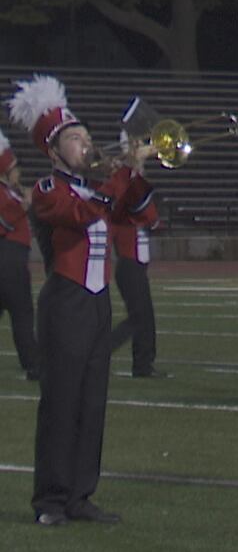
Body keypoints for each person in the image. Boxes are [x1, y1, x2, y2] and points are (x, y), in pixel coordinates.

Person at [11, 74, 151, 526]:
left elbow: (145, 214)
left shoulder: (96, 187)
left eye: (87, 136)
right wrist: (121, 175)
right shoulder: (49, 190)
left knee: (92, 402)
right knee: (61, 402)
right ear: (54, 151)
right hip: (66, 302)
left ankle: (79, 496)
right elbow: (82, 214)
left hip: (97, 302)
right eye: (75, 138)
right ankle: (50, 500)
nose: (86, 144)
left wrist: (137, 171)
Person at [106, 125, 164, 379]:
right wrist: (131, 166)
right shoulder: (126, 187)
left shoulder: (133, 184)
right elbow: (151, 219)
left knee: (145, 319)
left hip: (135, 265)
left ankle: (143, 366)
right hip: (129, 264)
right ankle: (101, 351)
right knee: (138, 318)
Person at [0, 130, 39, 382]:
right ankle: (33, 365)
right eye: (14, 167)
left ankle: (33, 363)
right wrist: (23, 206)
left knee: (19, 313)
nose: (18, 171)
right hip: (8, 259)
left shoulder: (10, 191)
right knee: (22, 313)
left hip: (11, 258)